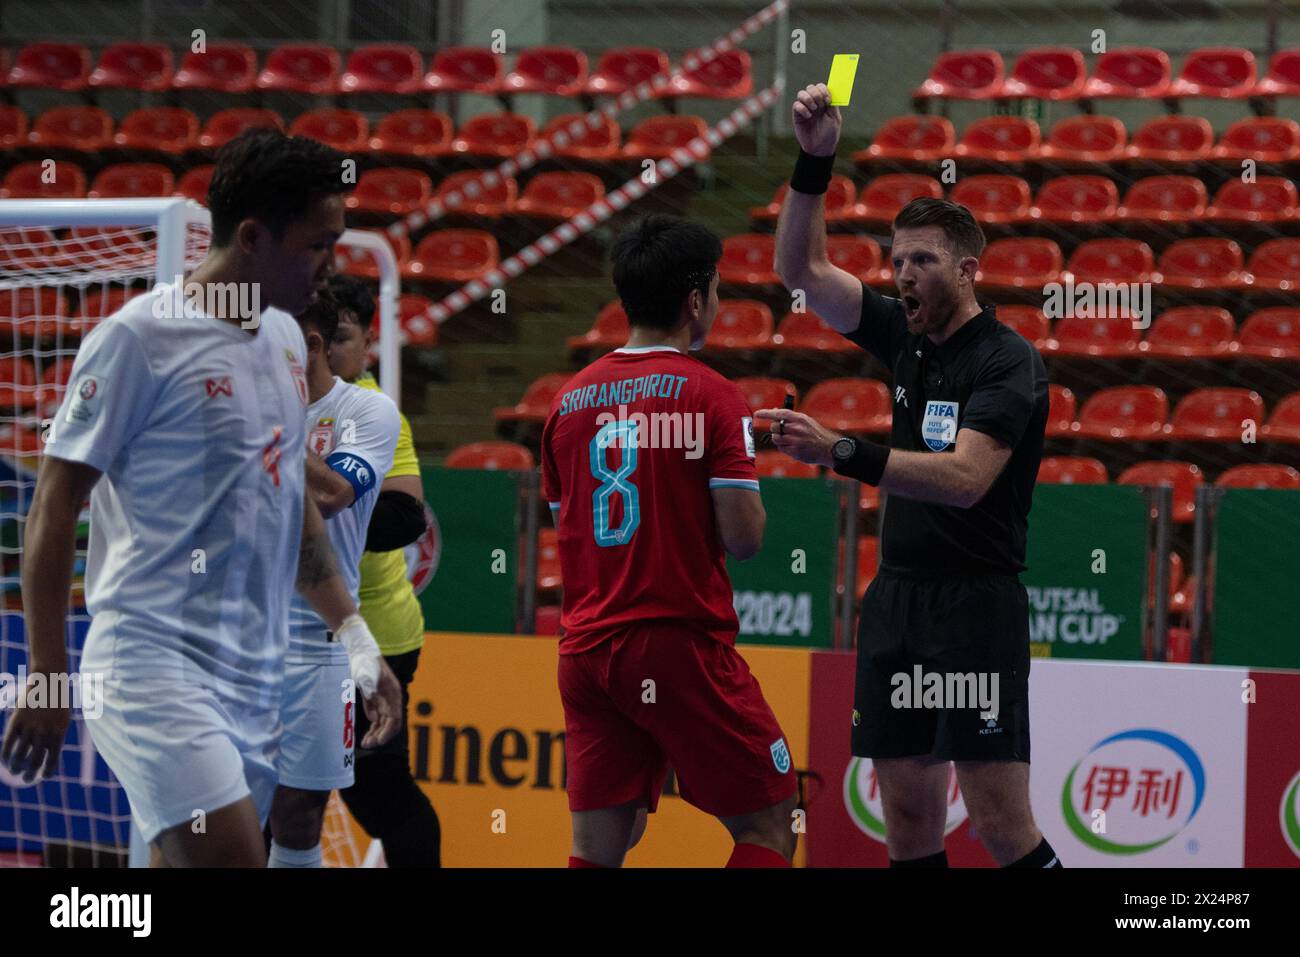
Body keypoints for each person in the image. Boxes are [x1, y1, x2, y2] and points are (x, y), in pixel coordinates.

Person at [1, 128, 401, 868]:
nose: (330, 265)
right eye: (317, 245)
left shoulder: (285, 339)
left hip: (253, 675)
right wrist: (50, 671)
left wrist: (353, 634)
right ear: (252, 236)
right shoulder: (138, 339)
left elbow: (290, 504)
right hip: (151, 666)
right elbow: (53, 506)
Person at [763, 84, 1058, 868]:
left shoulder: (1007, 361)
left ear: (967, 270)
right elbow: (799, 267)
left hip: (975, 606)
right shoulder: (904, 334)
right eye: (895, 260)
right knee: (907, 819)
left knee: (1000, 822)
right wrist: (815, 159)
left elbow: (965, 477)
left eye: (921, 261)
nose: (901, 275)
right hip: (896, 599)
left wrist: (841, 453)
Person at [542, 214, 798, 869]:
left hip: (588, 649)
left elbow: (573, 526)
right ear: (695, 301)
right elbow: (744, 539)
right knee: (771, 817)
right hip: (674, 643)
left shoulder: (566, 403)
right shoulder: (714, 395)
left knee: (601, 844)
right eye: (715, 289)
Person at [269, 287, 401, 868]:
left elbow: (332, 494)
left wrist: (265, 424)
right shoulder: (230, 404)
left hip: (320, 638)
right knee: (222, 818)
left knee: (300, 814)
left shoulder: (365, 411)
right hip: (236, 637)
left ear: (311, 346)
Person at [326, 274, 441, 868]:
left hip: (374, 636)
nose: (327, 351)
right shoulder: (285, 398)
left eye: (340, 338)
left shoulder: (373, 412)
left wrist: (316, 519)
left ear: (368, 342)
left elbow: (405, 517)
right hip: (292, 635)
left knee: (378, 794)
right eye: (317, 337)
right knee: (276, 798)